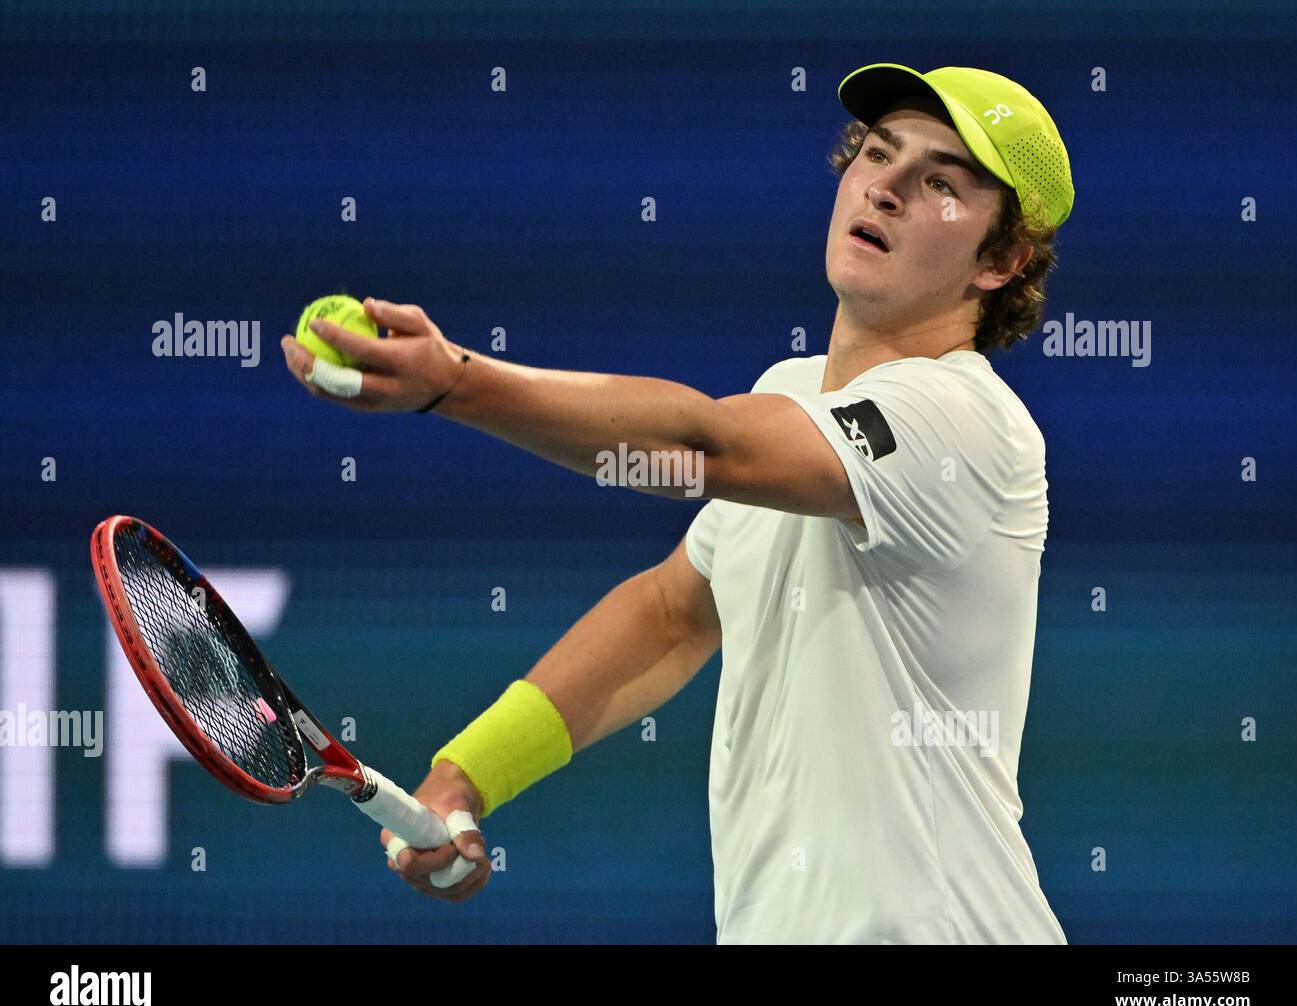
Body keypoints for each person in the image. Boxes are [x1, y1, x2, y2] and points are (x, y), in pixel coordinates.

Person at [280, 62, 1075, 944]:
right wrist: (468, 776)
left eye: (939, 184)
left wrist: (456, 385)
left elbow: (702, 448)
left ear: (1001, 262)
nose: (884, 187)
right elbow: (671, 614)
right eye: (877, 154)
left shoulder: (963, 421)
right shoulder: (792, 396)